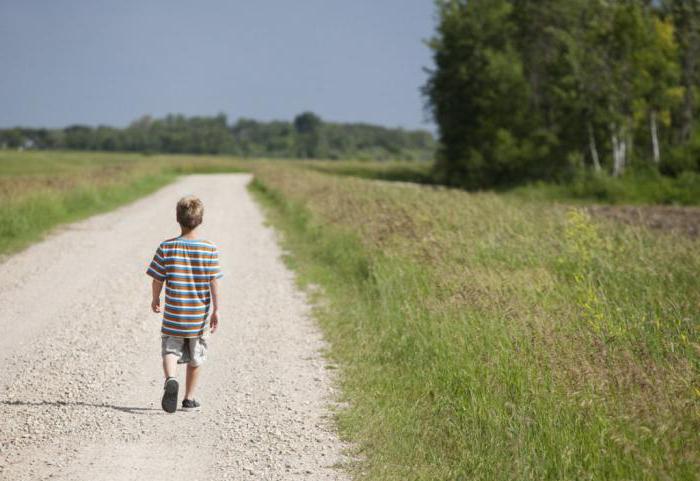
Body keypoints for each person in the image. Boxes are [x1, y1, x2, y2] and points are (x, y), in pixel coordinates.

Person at [146, 195, 222, 413]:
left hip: (174, 315)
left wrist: (155, 298)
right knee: (196, 357)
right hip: (197, 317)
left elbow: (157, 278)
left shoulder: (166, 247)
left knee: (170, 350)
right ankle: (189, 399)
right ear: (200, 220)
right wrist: (216, 310)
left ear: (177, 219)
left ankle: (171, 378)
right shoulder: (209, 249)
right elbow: (214, 281)